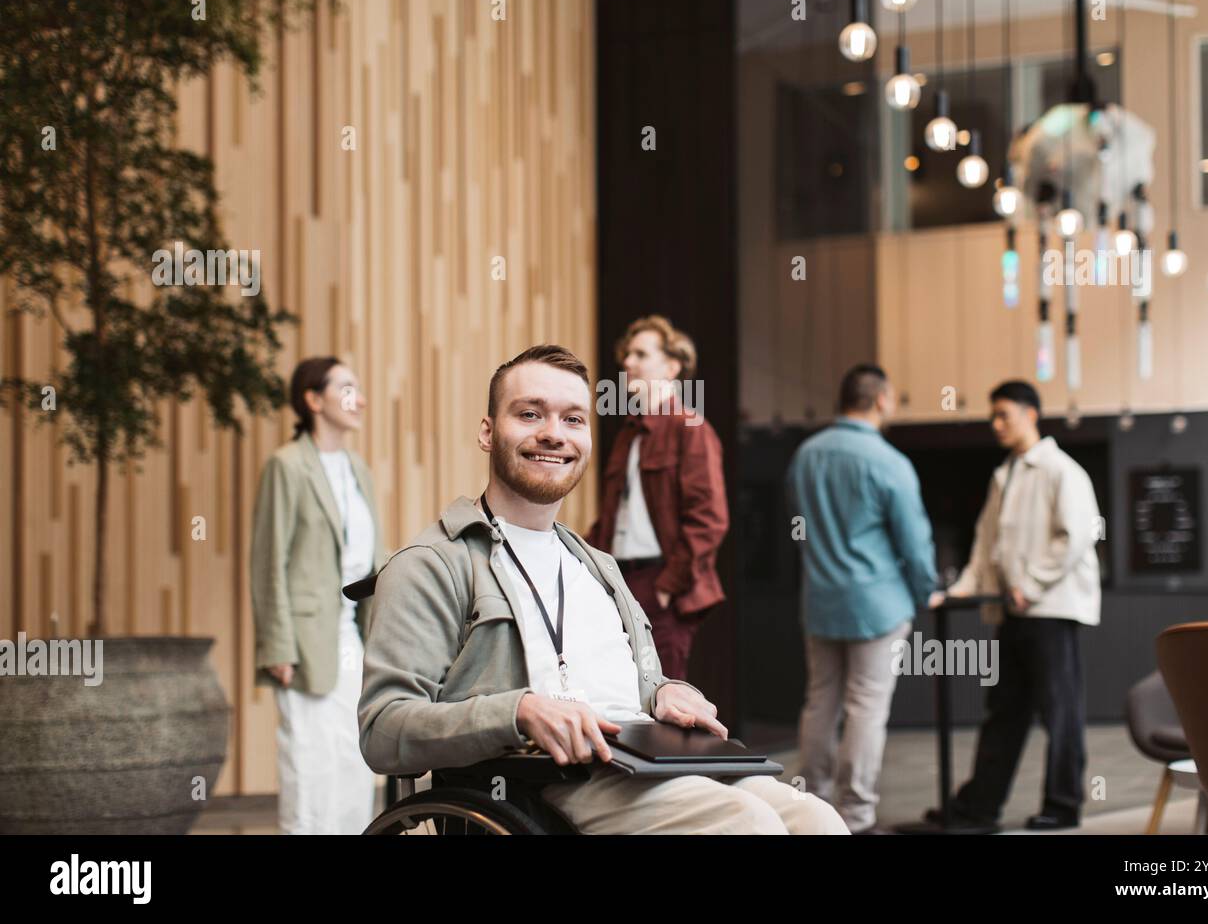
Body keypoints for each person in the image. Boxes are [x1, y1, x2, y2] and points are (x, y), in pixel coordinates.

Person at [358, 345, 846, 834]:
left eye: (573, 419)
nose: (553, 433)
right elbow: (384, 728)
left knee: (815, 817)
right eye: (529, 414)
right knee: (747, 822)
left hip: (646, 759)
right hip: (548, 776)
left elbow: (637, 683)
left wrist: (665, 692)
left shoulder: (599, 566)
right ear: (488, 433)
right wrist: (519, 711)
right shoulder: (433, 564)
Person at [929, 379, 1101, 832]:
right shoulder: (1003, 475)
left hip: (1049, 611)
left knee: (1059, 713)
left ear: (1031, 414)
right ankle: (977, 808)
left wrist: (1032, 584)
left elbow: (1076, 535)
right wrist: (961, 590)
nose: (996, 424)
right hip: (1010, 613)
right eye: (993, 416)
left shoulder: (1062, 470)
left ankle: (1063, 807)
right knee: (1003, 713)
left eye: (1004, 414)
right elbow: (986, 548)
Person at [785, 364, 939, 833]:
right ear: (882, 399)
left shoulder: (806, 455)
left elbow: (799, 526)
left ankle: (812, 809)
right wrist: (925, 591)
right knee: (866, 708)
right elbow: (915, 543)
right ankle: (856, 816)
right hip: (877, 605)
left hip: (821, 600)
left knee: (820, 704)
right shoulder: (889, 462)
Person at [251, 356, 386, 834]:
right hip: (305, 639)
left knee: (353, 759)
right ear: (313, 399)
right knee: (308, 766)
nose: (360, 400)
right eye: (347, 388)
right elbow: (269, 562)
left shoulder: (357, 468)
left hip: (354, 635)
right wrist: (277, 647)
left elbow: (374, 561)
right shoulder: (286, 467)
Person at [586, 315, 728, 680]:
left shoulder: (690, 428)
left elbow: (709, 519)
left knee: (664, 706)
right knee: (620, 695)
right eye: (627, 355)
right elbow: (611, 518)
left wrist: (667, 587)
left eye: (640, 354)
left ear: (671, 366)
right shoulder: (629, 434)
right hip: (619, 582)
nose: (627, 363)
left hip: (660, 583)